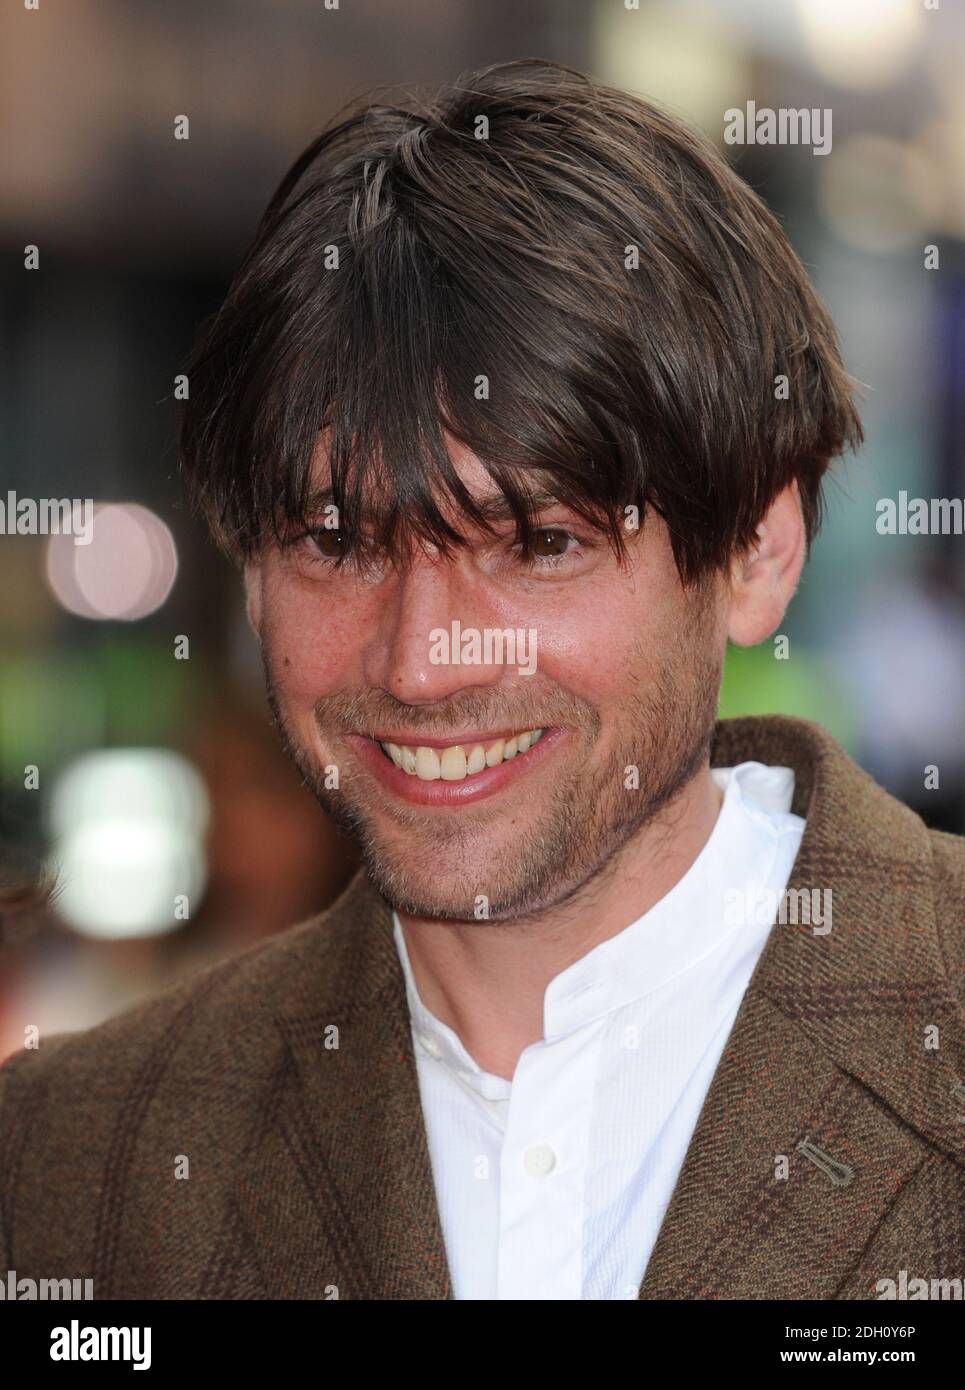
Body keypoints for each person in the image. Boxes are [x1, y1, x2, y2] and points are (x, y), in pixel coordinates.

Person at [2, 60, 963, 1302]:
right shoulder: (68, 1168)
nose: (418, 661)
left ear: (755, 551)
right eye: (334, 542)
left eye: (538, 545)